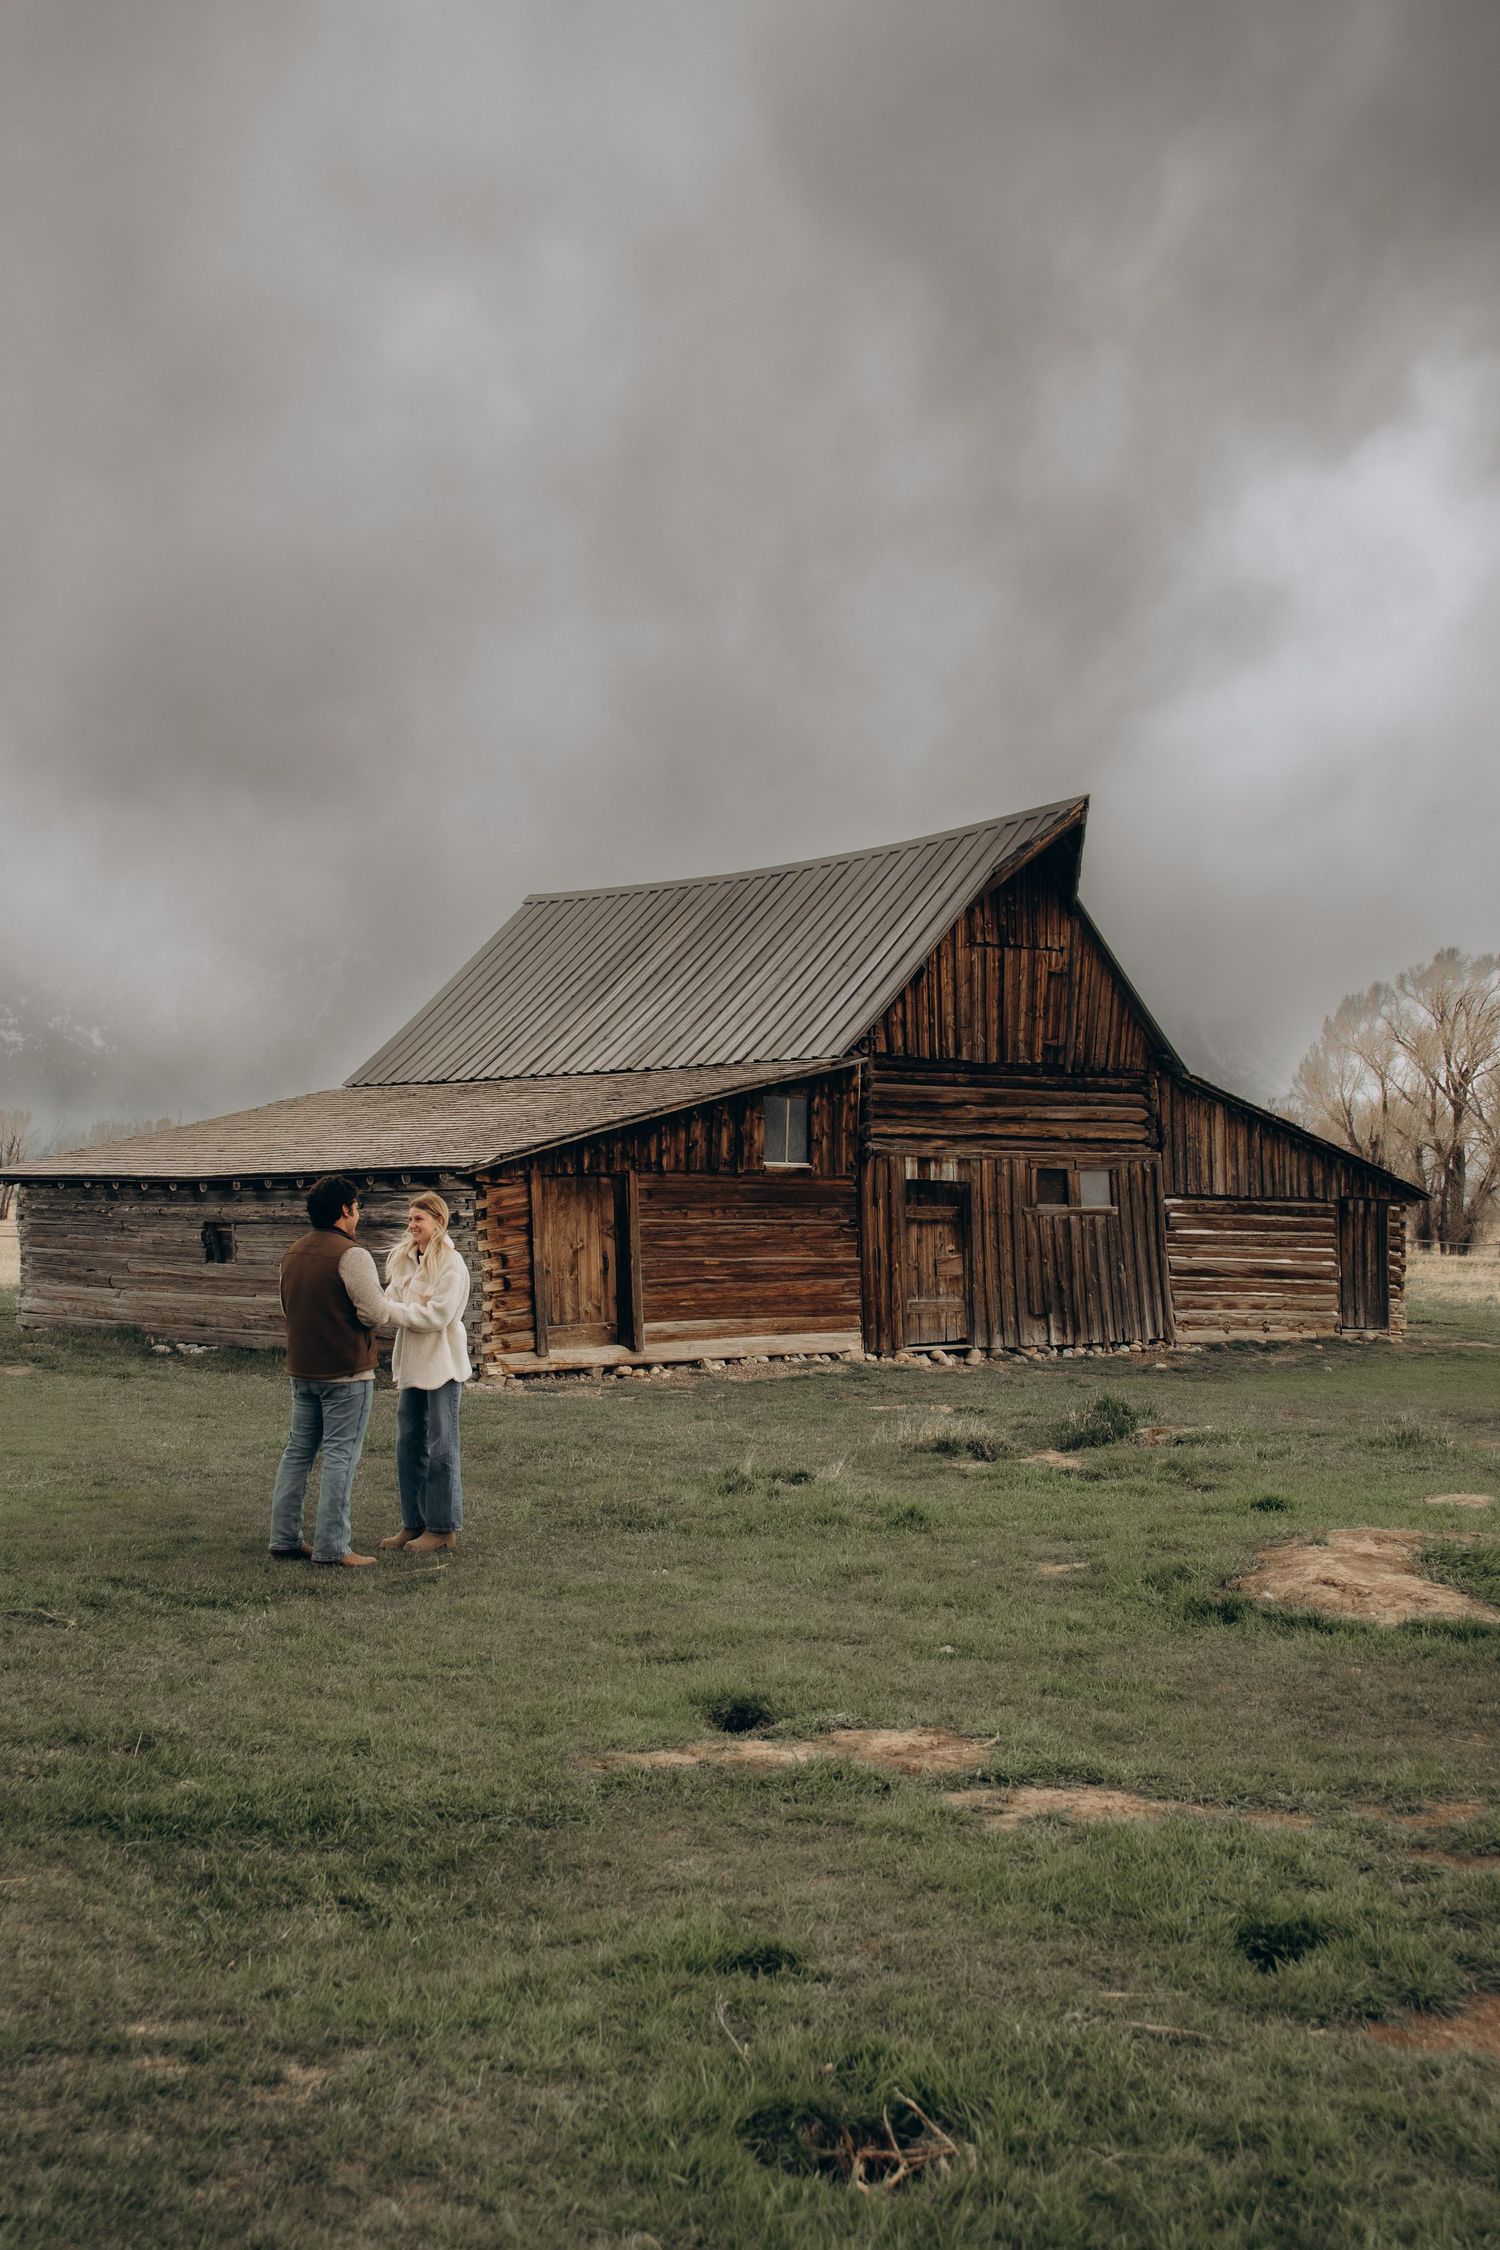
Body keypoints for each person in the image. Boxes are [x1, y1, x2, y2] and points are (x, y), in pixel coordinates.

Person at [267, 1174, 446, 1568]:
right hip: (346, 1373)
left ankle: (284, 1539)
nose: (359, 1215)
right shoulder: (352, 1255)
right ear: (346, 1210)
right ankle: (333, 1547)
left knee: (297, 1453)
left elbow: (287, 1307)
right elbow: (376, 1312)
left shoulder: (292, 1253)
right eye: (358, 1207)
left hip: (302, 1369)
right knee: (339, 1457)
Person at [377, 1191, 472, 1554]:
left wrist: (392, 1312)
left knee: (441, 1447)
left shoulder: (451, 1263)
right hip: (412, 1365)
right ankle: (413, 1523)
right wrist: (385, 1308)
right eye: (410, 1218)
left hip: (442, 1365)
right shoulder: (403, 1261)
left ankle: (442, 1527)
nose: (411, 1224)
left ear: (438, 1221)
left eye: (418, 1219)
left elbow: (439, 1315)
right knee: (409, 1445)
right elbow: (389, 1298)